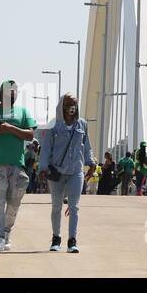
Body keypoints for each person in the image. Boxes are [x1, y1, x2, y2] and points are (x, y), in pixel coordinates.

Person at [0, 79, 37, 253]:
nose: (12, 93)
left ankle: (6, 233)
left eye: (15, 90)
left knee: (14, 201)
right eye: (9, 90)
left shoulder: (23, 112)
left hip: (17, 164)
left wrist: (10, 128)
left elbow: (30, 135)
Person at [41, 93, 95, 253]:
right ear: (62, 106)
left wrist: (91, 163)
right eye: (69, 104)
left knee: (74, 207)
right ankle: (56, 238)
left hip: (75, 172)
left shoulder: (82, 125)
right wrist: (43, 168)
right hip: (57, 172)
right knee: (56, 206)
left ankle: (72, 241)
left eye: (75, 104)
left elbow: (87, 146)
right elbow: (45, 148)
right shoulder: (53, 125)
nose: (73, 107)